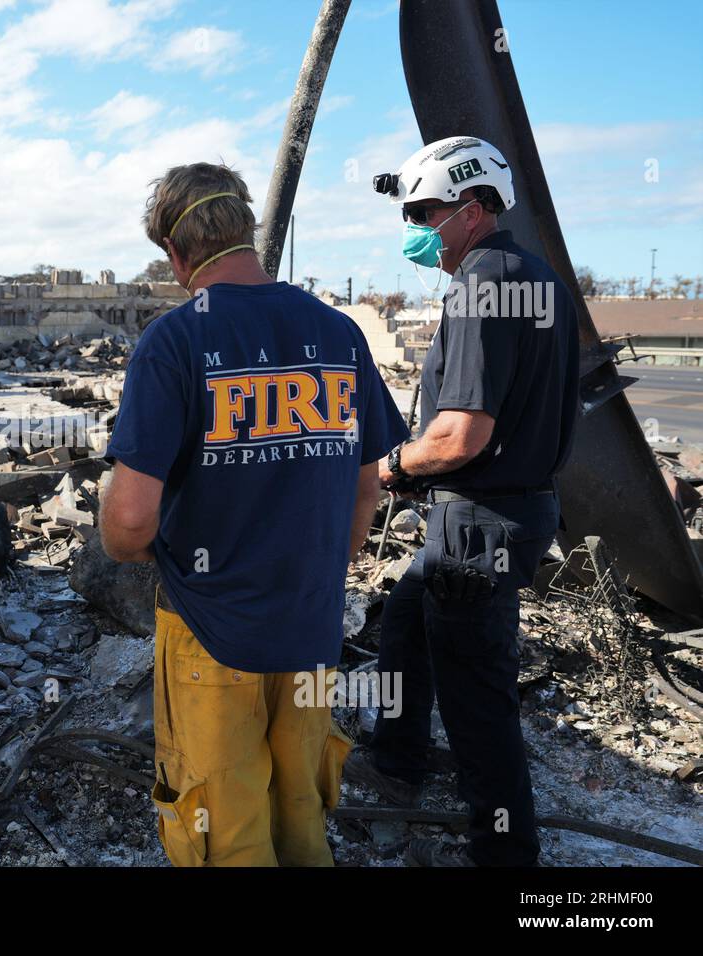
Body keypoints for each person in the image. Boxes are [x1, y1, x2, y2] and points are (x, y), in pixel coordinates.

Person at [99, 162, 409, 866]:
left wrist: (147, 549)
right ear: (249, 230)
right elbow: (368, 485)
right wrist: (329, 563)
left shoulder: (174, 342)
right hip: (310, 628)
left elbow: (127, 528)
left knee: (224, 828)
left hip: (213, 632)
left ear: (176, 254)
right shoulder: (338, 334)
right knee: (302, 812)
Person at [348, 136, 581, 866]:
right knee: (406, 626)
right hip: (507, 510)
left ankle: (503, 853)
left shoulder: (483, 284)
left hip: (481, 523)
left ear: (474, 208)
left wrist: (392, 464)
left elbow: (459, 435)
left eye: (425, 211)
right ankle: (397, 762)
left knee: (476, 691)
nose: (415, 227)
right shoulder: (532, 276)